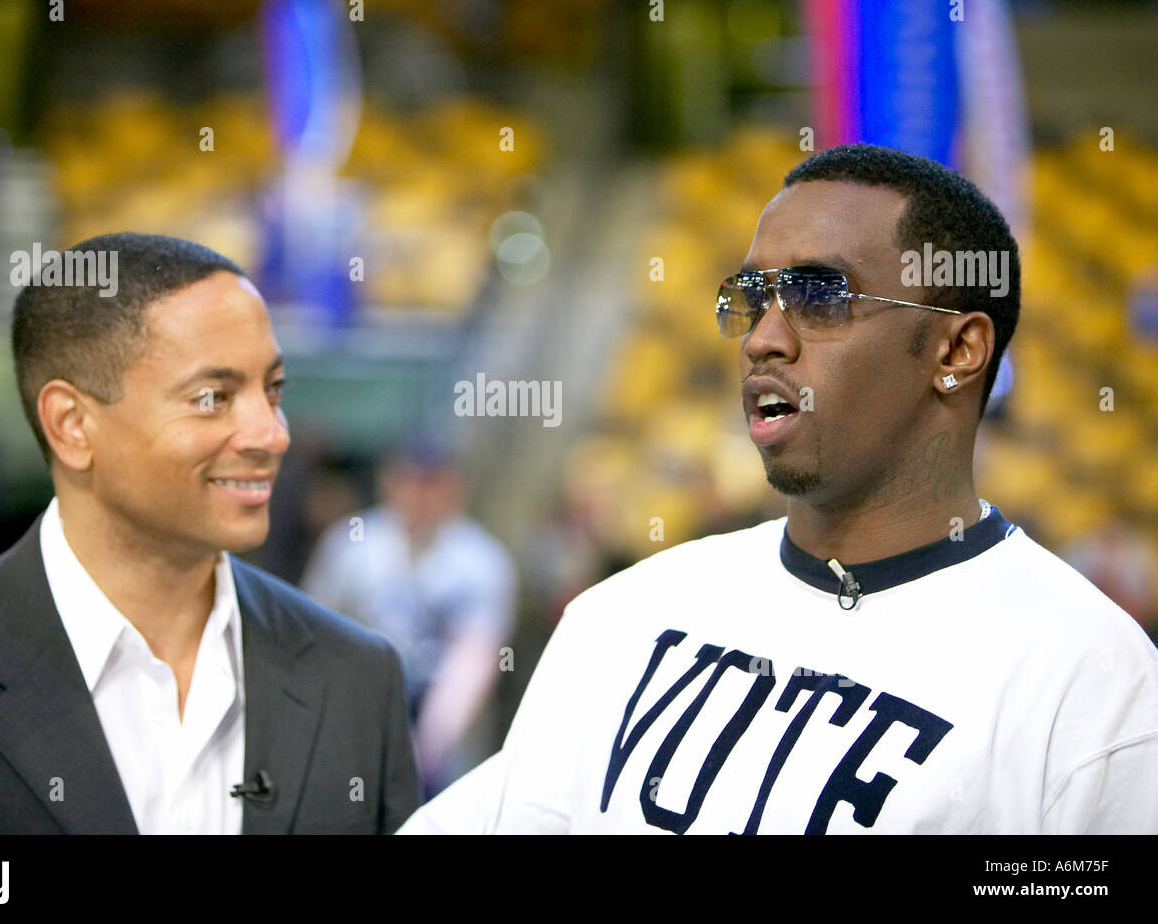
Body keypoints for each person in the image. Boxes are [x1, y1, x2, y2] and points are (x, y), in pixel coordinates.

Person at [398, 144, 1158, 834]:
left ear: (956, 349)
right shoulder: (624, 616)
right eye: (752, 298)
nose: (764, 336)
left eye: (820, 297)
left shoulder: (1093, 684)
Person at [0, 232, 419, 834]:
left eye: (273, 390)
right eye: (213, 397)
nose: (271, 433)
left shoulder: (358, 678)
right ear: (72, 425)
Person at [302, 442, 515, 796]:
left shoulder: (481, 560)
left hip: (438, 722)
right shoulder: (351, 543)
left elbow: (474, 658)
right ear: (390, 481)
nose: (422, 495)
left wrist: (427, 747)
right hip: (359, 703)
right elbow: (314, 633)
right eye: (412, 481)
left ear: (456, 488)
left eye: (434, 483)